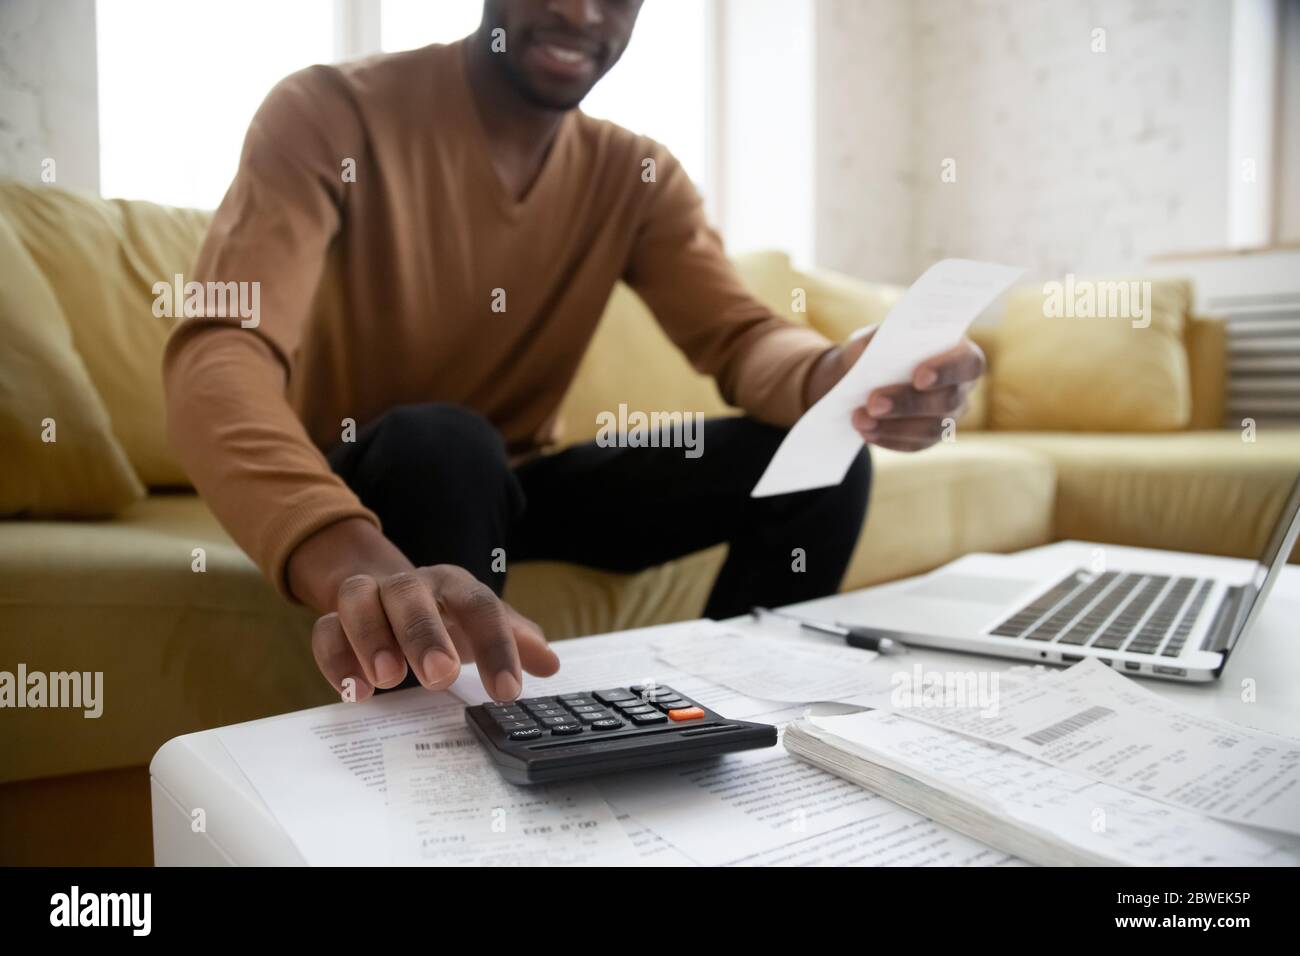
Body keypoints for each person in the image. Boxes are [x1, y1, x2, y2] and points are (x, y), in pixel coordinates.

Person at [163, 0, 984, 704]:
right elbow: (221, 350)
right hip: (374, 481)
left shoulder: (636, 175)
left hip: (516, 489)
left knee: (814, 458)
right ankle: (439, 772)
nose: (583, 14)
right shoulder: (326, 113)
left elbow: (742, 337)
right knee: (445, 442)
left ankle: (736, 719)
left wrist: (839, 378)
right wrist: (351, 552)